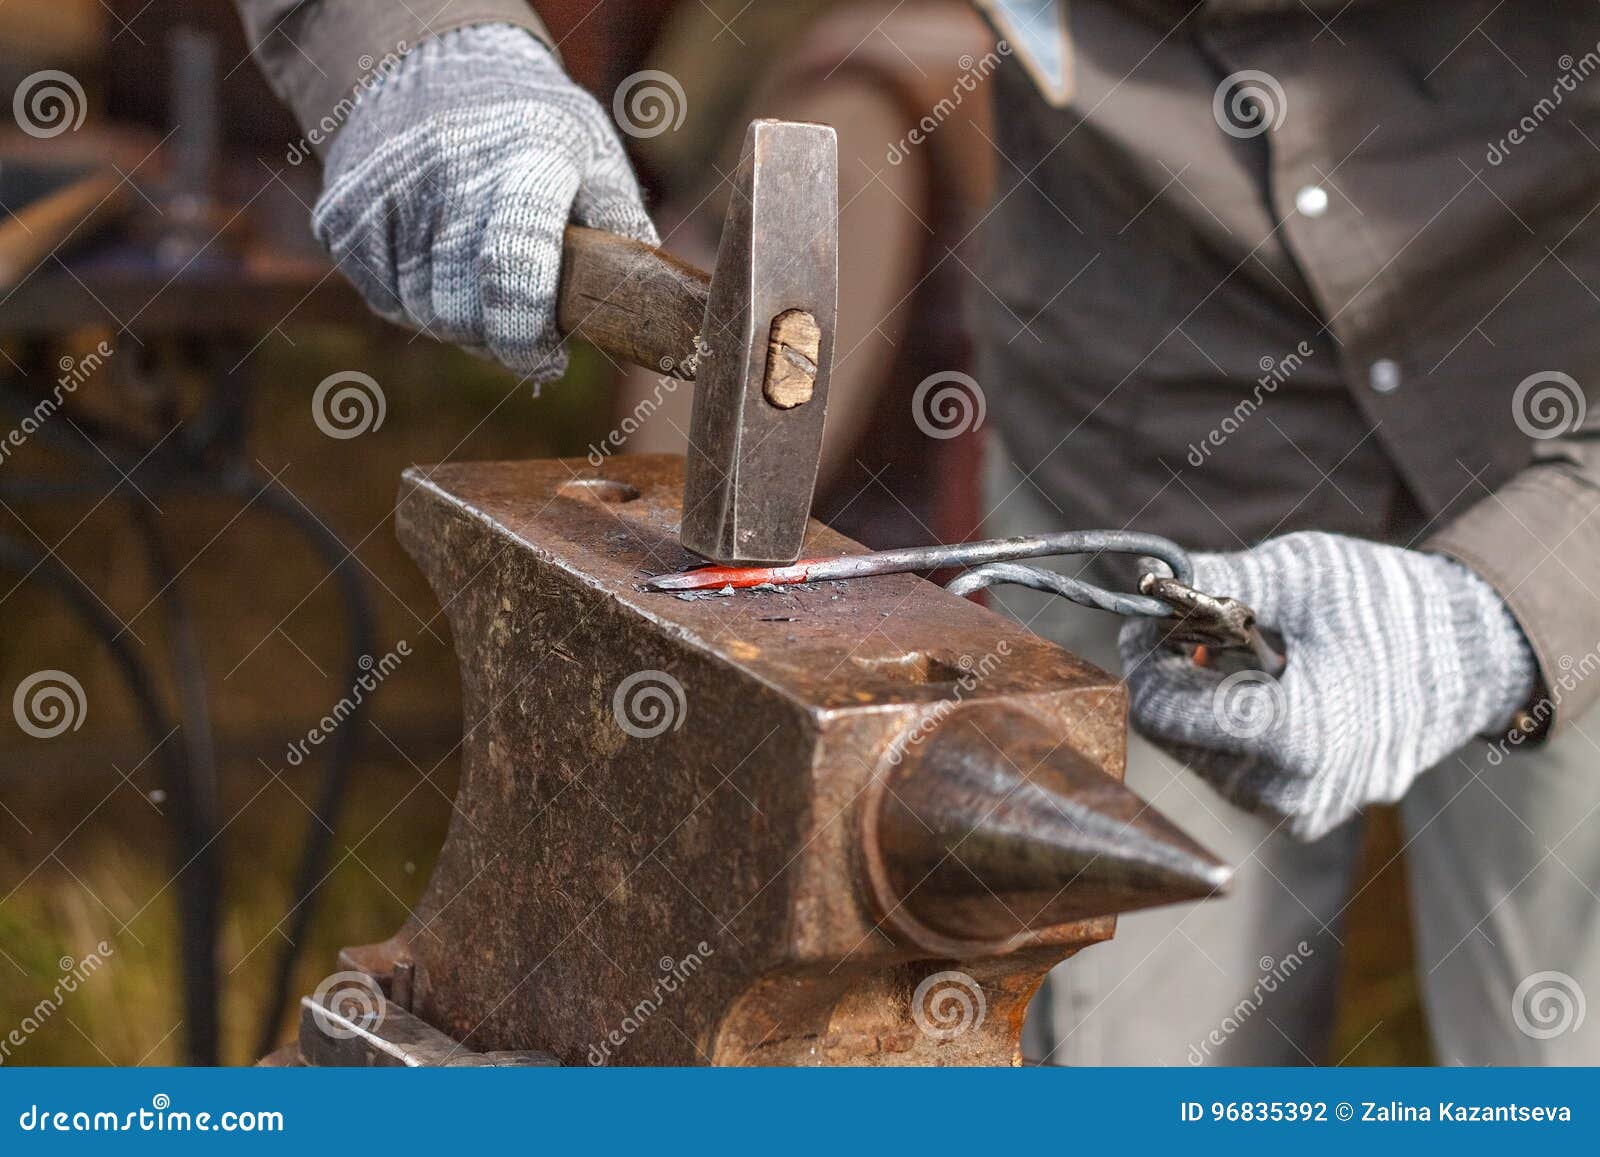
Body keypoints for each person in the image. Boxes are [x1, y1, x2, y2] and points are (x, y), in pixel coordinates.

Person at [233, 0, 1600, 1064]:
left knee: (1560, 1051)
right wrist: (416, 48)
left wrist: (1515, 614)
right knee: (1132, 1062)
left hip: (1565, 384)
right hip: (1149, 389)